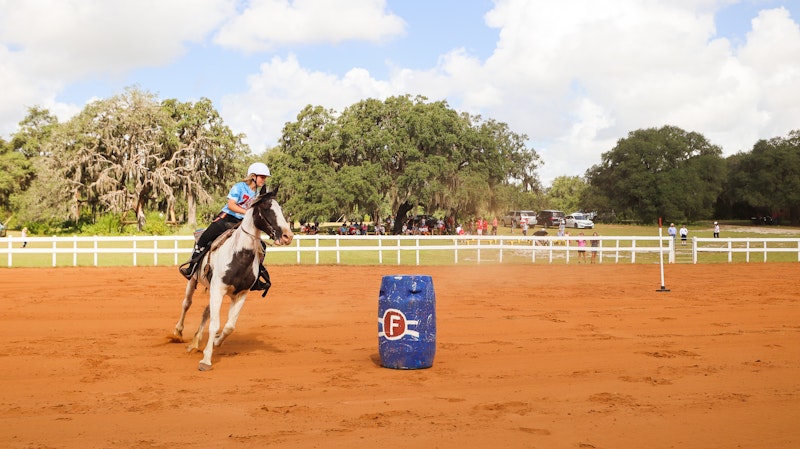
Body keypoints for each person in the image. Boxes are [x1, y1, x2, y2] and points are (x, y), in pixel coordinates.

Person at [179, 162, 272, 293]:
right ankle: (192, 267)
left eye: (265, 177)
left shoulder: (257, 193)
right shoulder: (239, 187)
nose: (264, 179)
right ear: (253, 177)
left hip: (243, 223)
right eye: (262, 177)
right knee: (204, 238)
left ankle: (256, 275)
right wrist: (247, 213)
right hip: (227, 218)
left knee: (261, 246)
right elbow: (231, 205)